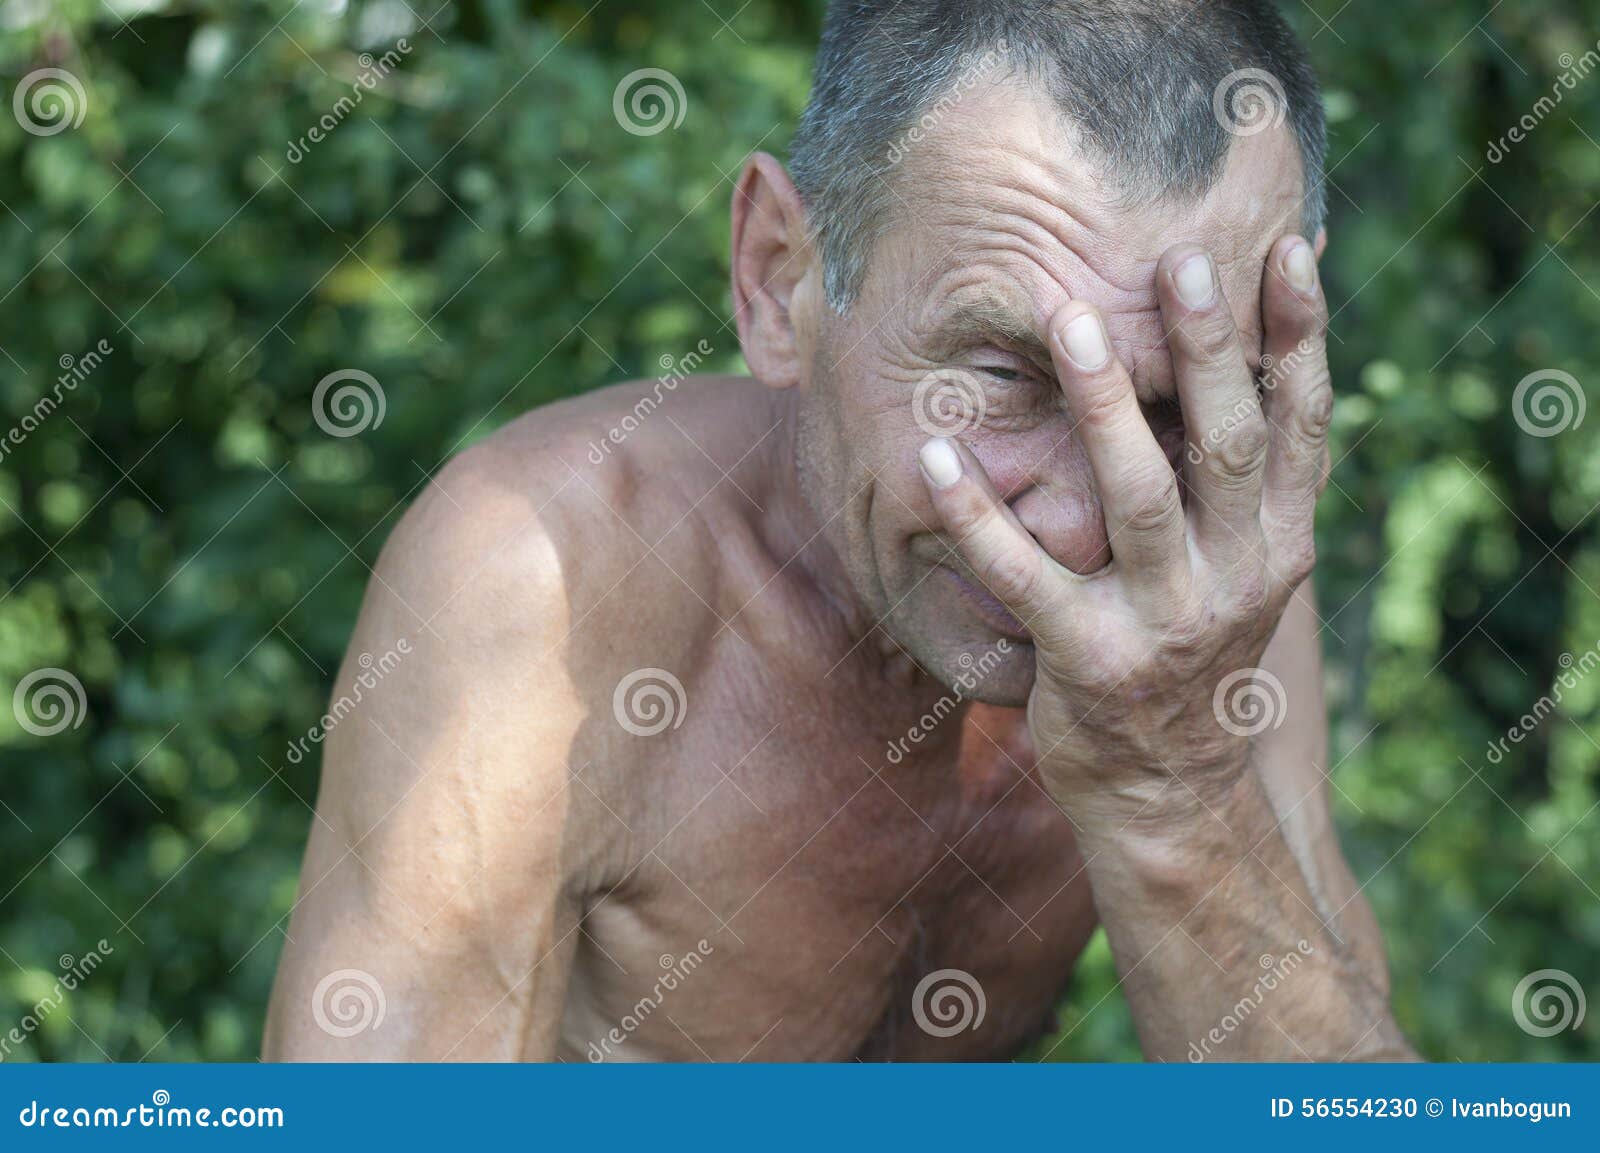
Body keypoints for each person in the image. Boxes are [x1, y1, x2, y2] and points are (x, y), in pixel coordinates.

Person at [265, 0, 1414, 1061]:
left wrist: (1171, 793)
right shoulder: (550, 576)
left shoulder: (1209, 567)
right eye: (1003, 375)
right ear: (778, 279)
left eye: (1170, 411)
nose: (1082, 525)